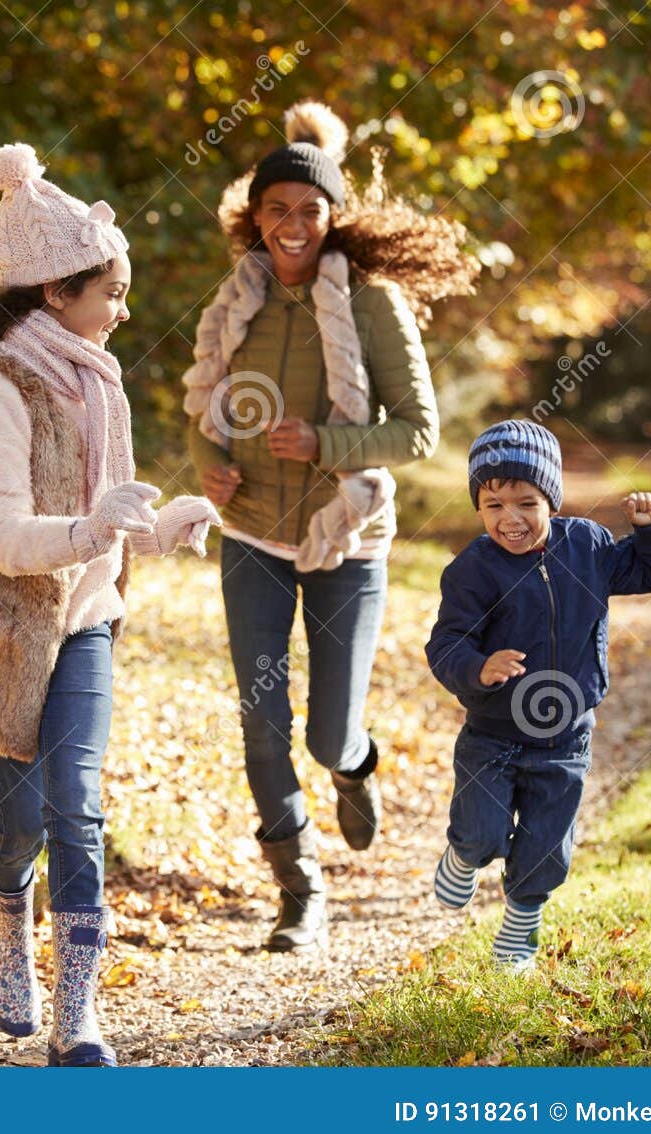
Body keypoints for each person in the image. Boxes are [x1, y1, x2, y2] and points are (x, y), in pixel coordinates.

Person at [0, 142, 219, 1065]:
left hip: (83, 626)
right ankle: (9, 921)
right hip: (5, 630)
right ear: (55, 293)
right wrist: (94, 528)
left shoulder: (91, 377)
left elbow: (100, 515)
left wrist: (161, 526)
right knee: (21, 819)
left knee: (78, 803)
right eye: (112, 291)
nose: (125, 308)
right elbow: (6, 536)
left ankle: (81, 1012)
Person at [184, 100, 478, 951]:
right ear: (255, 216)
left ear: (332, 218)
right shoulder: (237, 298)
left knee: (324, 728)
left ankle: (354, 764)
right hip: (250, 531)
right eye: (277, 209)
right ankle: (299, 889)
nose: (293, 225)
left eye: (310, 210)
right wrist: (208, 459)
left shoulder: (372, 302)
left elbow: (416, 429)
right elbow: (201, 403)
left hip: (345, 534)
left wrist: (326, 442)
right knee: (261, 716)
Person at [425, 420, 651, 970]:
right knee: (481, 831)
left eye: (526, 502)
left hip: (565, 734)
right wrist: (478, 665)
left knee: (545, 844)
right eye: (492, 505)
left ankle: (519, 929)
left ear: (552, 499)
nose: (509, 519)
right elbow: (446, 643)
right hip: (492, 732)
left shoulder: (586, 545)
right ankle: (463, 856)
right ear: (478, 507)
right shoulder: (473, 569)